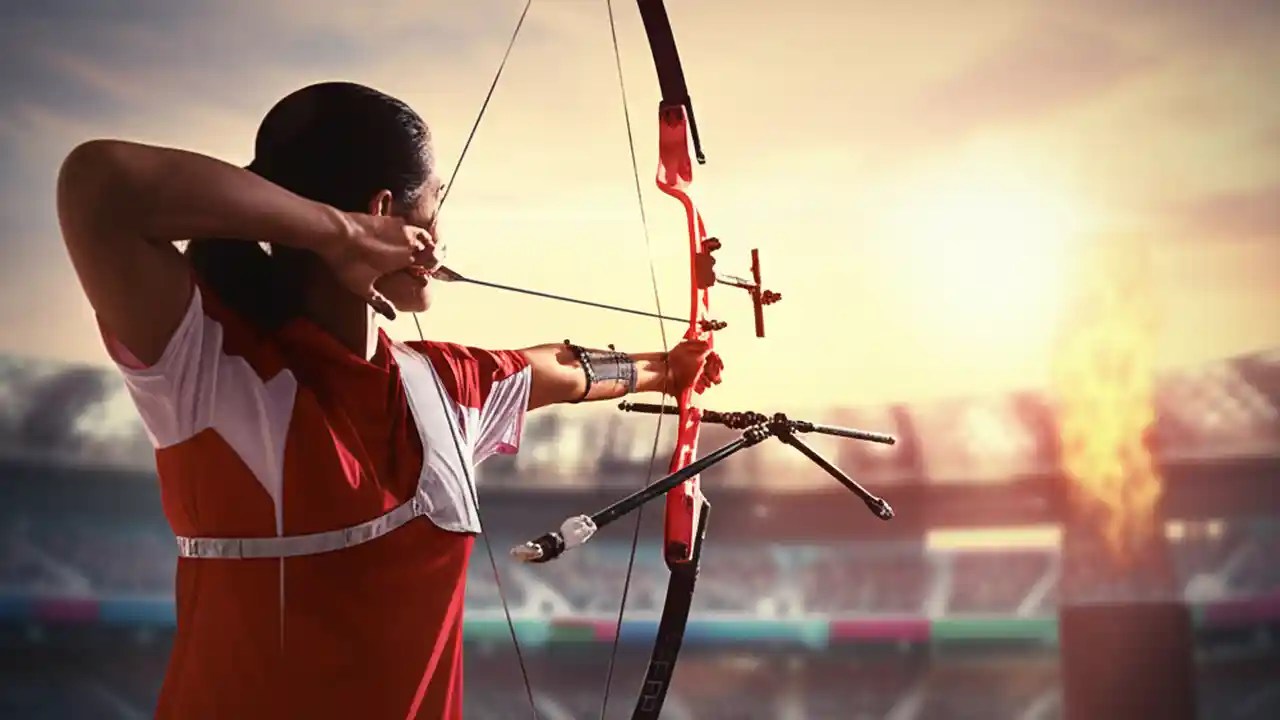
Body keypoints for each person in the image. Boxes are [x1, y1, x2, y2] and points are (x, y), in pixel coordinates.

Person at [56, 81, 721, 719]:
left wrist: (667, 367)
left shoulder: (445, 383)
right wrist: (341, 235)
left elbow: (557, 369)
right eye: (437, 200)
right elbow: (98, 184)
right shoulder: (214, 373)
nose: (442, 226)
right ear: (383, 211)